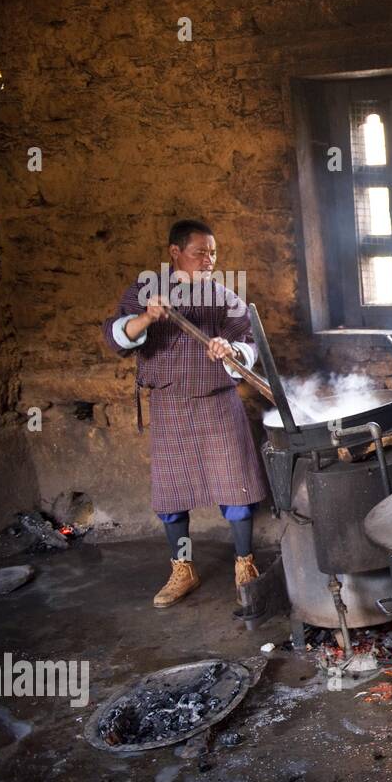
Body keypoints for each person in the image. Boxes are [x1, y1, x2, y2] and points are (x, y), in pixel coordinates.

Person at [101, 219, 269, 609]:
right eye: (200, 252)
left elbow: (250, 345)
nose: (209, 259)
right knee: (171, 497)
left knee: (237, 490)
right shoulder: (145, 292)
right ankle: (183, 569)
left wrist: (230, 350)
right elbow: (114, 338)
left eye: (213, 252)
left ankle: (245, 564)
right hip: (170, 405)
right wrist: (146, 317)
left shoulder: (226, 297)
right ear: (175, 252)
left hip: (218, 403)